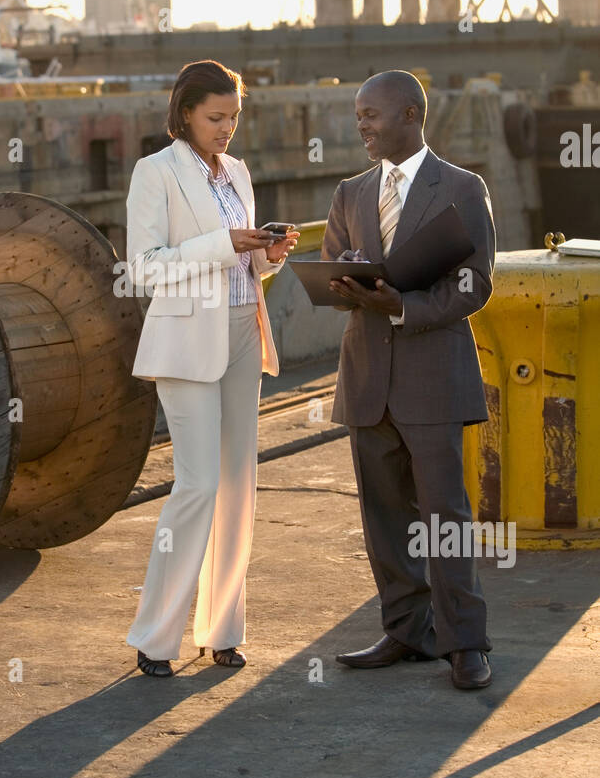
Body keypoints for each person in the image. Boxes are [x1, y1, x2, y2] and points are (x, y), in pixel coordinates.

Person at [321, 69, 496, 691]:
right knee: (385, 516)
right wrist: (345, 286)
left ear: (411, 115)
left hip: (433, 379)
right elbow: (340, 264)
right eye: (359, 114)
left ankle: (466, 643)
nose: (361, 125)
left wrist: (401, 306)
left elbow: (473, 285)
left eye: (372, 113)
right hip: (368, 378)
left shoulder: (463, 188)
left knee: (444, 515)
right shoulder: (349, 193)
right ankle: (406, 631)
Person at [124, 60, 300, 677]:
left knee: (237, 487)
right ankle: (154, 636)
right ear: (186, 114)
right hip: (185, 343)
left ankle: (222, 629)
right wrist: (227, 243)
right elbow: (143, 267)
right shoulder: (156, 172)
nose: (227, 128)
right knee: (197, 485)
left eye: (234, 117)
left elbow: (239, 264)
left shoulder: (239, 174)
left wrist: (267, 255)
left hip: (242, 332)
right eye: (215, 117)